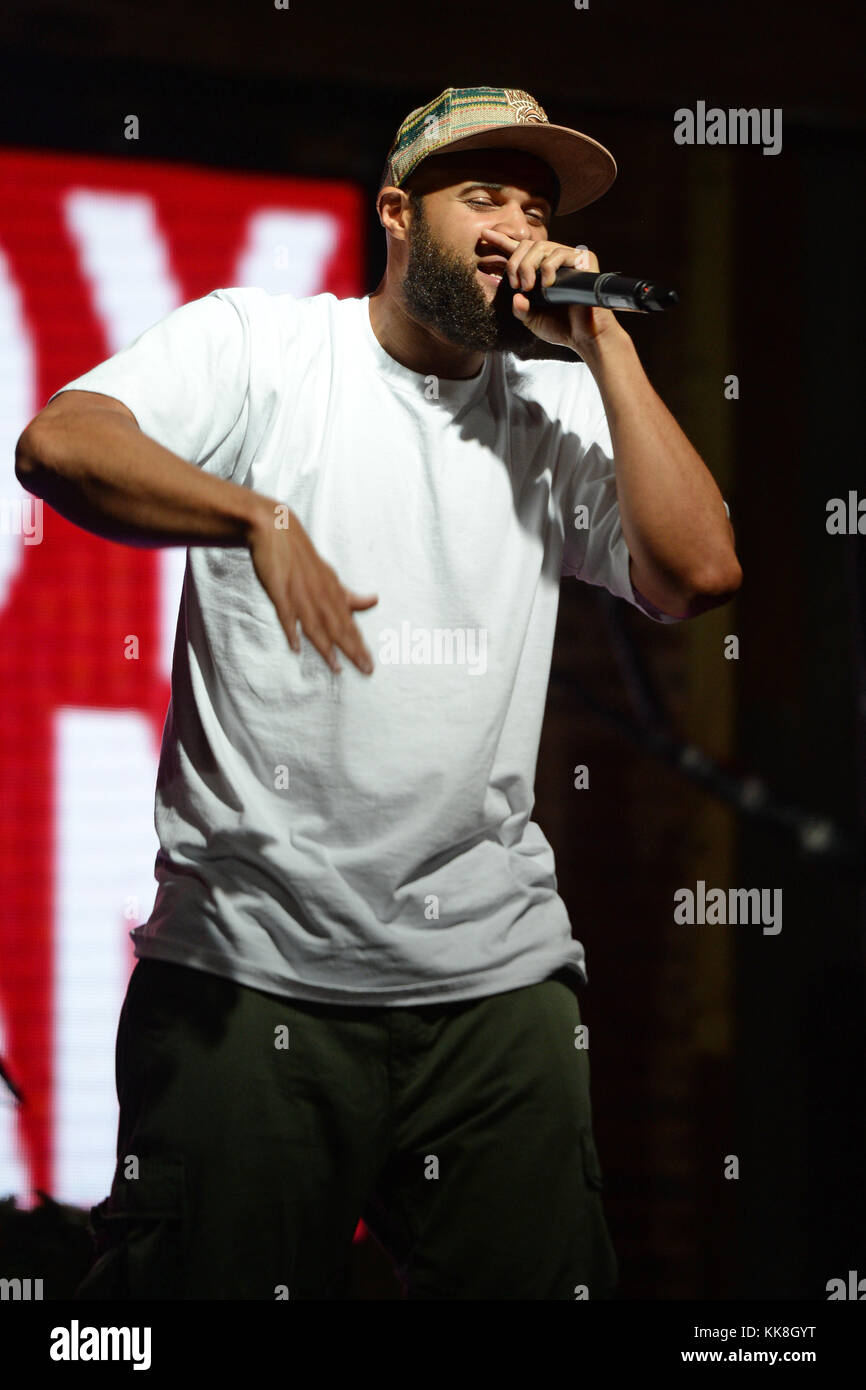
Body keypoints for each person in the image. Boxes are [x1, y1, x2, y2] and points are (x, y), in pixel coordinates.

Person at [14, 85, 741, 1300]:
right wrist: (252, 510)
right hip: (251, 972)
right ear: (398, 213)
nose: (515, 225)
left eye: (534, 204)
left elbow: (697, 570)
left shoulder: (554, 401)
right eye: (483, 197)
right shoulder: (262, 346)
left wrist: (603, 341)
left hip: (493, 984)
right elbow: (61, 439)